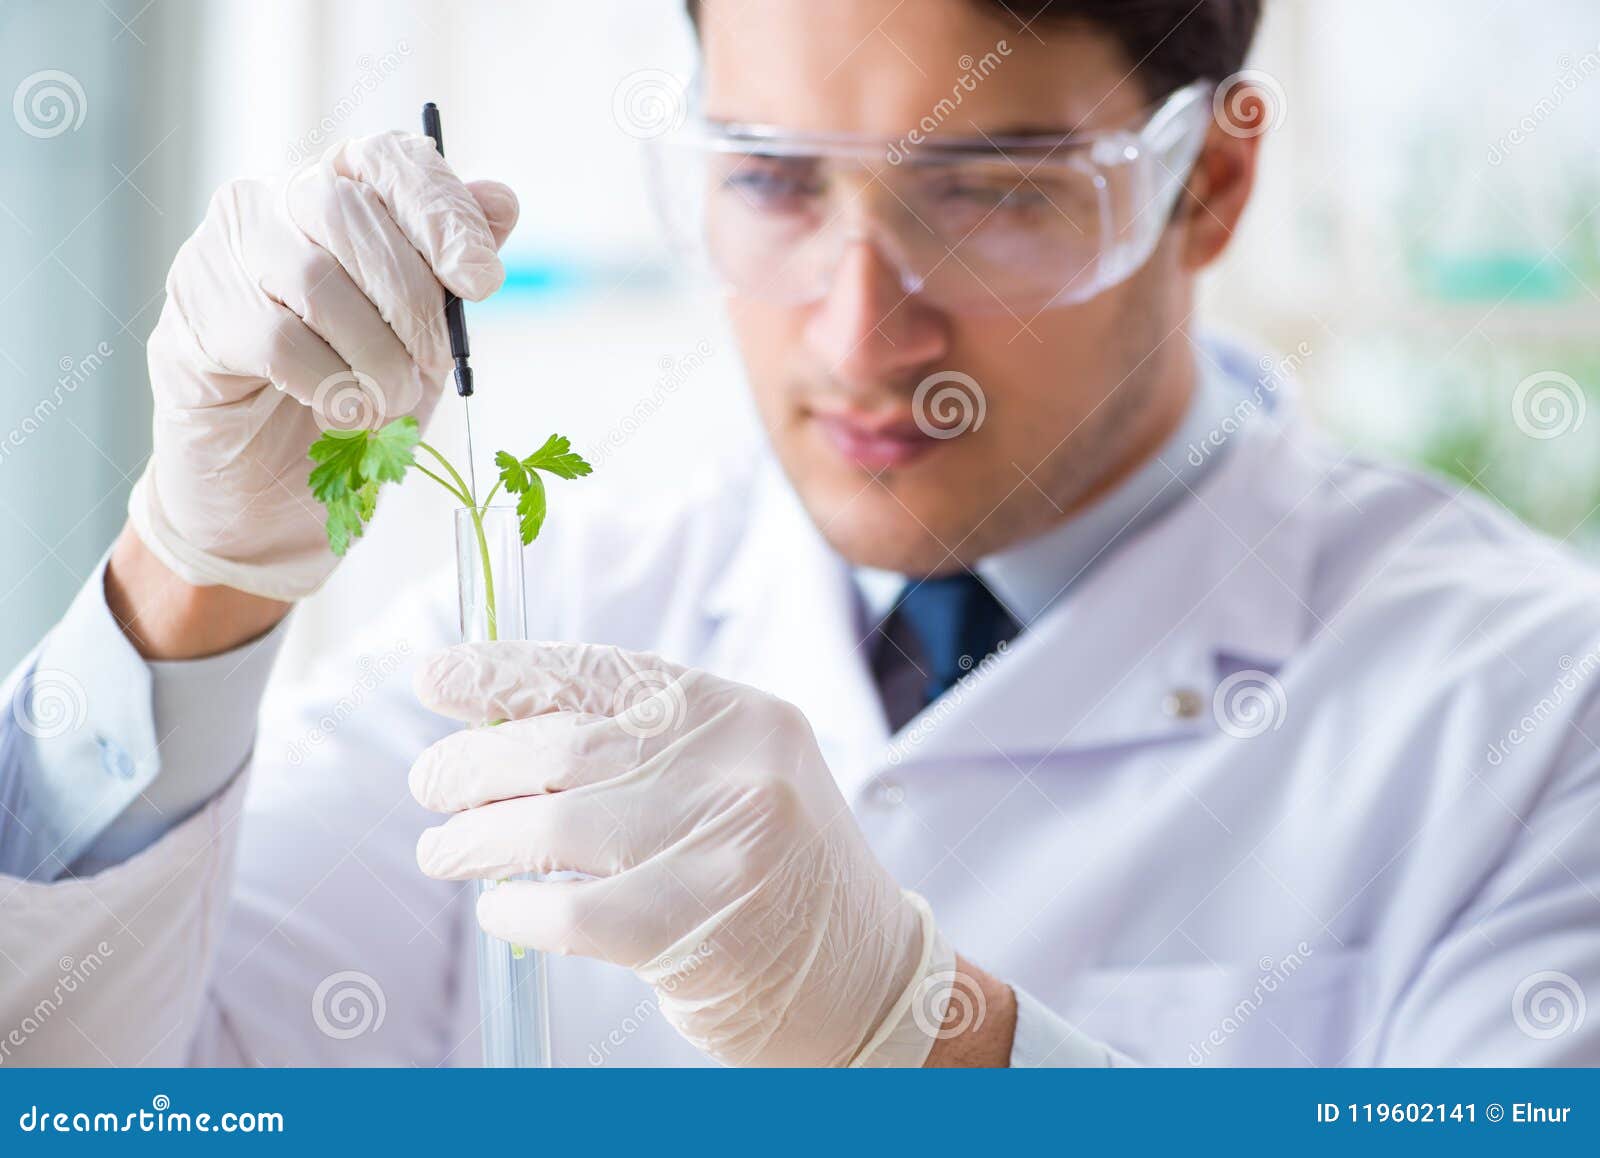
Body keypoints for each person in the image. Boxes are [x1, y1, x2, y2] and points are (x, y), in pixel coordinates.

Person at [3, 0, 1598, 1068]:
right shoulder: (539, 620)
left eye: (984, 191)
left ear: (1211, 183)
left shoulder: (1536, 710)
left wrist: (932, 1040)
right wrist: (188, 584)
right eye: (770, 181)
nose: (858, 332)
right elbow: (81, 1086)